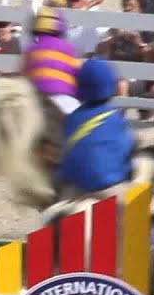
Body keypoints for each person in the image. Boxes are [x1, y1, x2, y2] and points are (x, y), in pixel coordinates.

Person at [57, 58, 135, 199]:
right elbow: (127, 152)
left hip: (75, 189)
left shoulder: (71, 119)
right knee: (144, 207)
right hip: (109, 189)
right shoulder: (116, 119)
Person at [23, 6, 83, 115]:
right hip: (66, 101)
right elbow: (77, 76)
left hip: (38, 103)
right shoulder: (68, 49)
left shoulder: (31, 50)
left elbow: (24, 78)